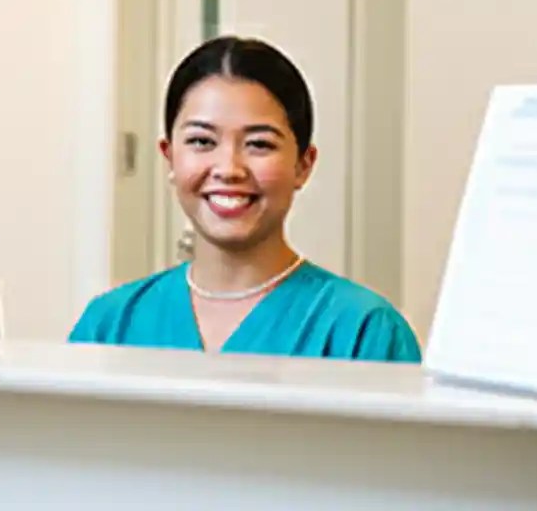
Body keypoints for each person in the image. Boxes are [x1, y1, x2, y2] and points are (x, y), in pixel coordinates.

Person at [71, 37, 421, 362]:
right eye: (202, 142)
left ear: (303, 164)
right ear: (170, 158)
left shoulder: (363, 333)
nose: (229, 169)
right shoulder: (109, 327)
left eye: (259, 144)